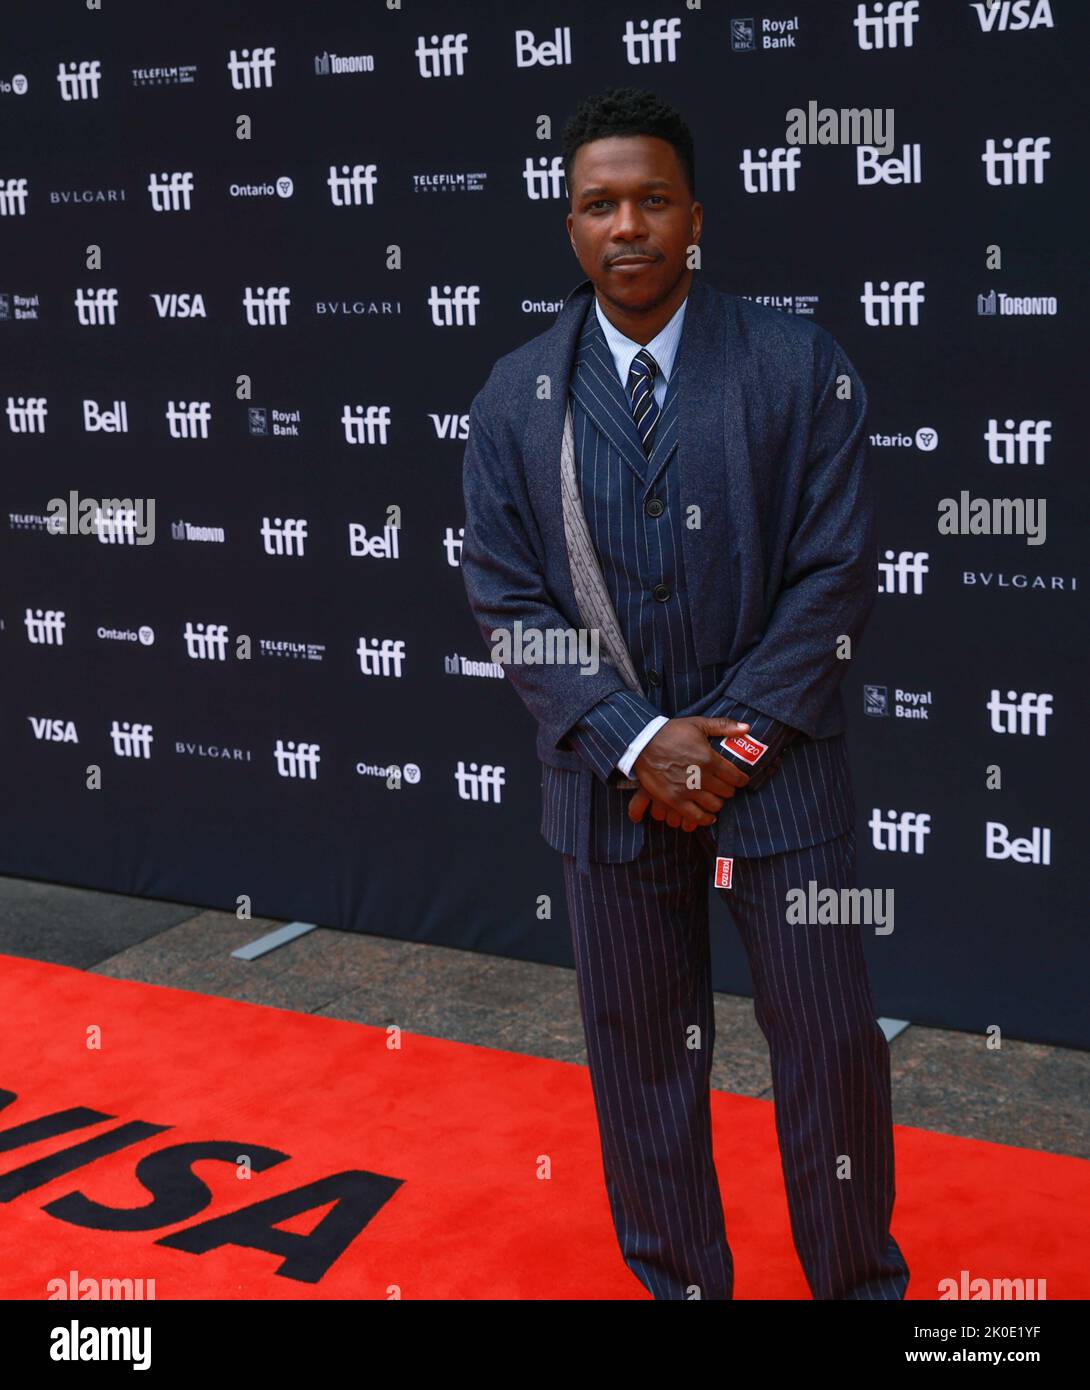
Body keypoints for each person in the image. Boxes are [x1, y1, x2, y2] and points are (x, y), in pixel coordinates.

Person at [460, 86, 909, 1301]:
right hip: (608, 791)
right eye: (599, 204)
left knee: (829, 1056)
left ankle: (861, 1290)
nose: (628, 226)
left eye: (652, 200)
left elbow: (834, 578)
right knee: (643, 1065)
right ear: (568, 227)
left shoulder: (794, 364)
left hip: (788, 780)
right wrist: (637, 740)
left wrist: (721, 751)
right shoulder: (512, 397)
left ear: (696, 217)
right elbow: (507, 600)